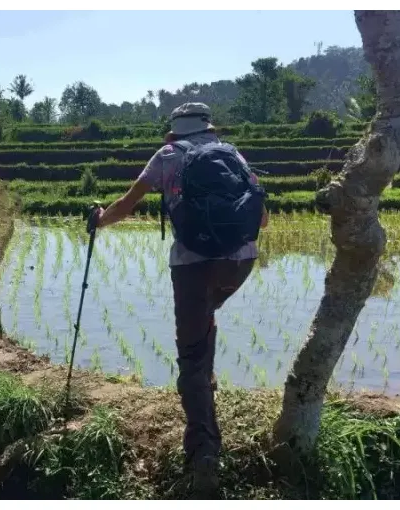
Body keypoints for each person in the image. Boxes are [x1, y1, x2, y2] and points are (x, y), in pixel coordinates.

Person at [90, 102, 268, 498]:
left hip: (192, 264)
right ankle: (205, 377)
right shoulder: (231, 152)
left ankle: (204, 451)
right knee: (206, 317)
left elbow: (128, 203)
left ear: (173, 131)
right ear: (208, 127)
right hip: (240, 262)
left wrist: (100, 218)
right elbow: (263, 217)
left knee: (189, 353)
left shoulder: (167, 155)